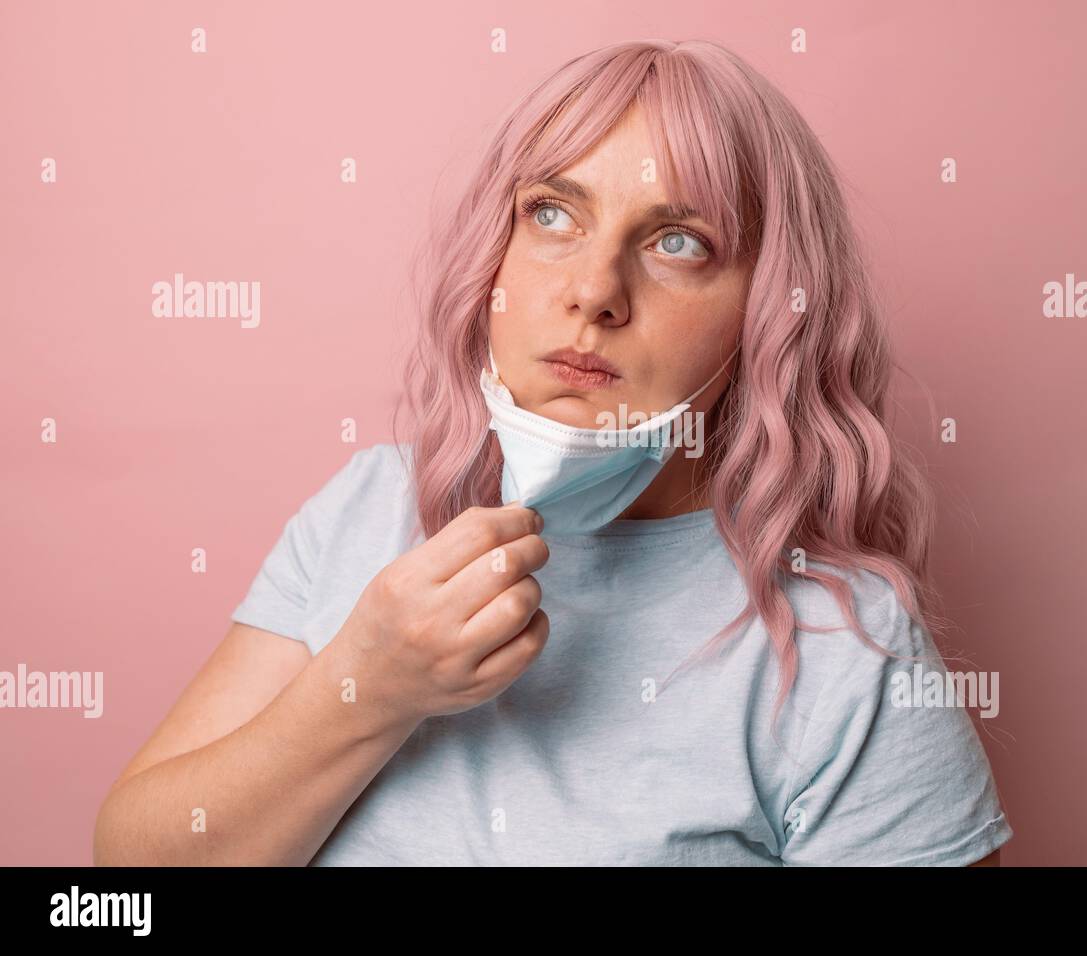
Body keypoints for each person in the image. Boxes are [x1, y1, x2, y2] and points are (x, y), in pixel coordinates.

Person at [94, 38, 1012, 866]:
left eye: (678, 241)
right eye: (553, 215)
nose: (593, 291)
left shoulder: (843, 646)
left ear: (771, 313)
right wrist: (366, 689)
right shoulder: (369, 505)